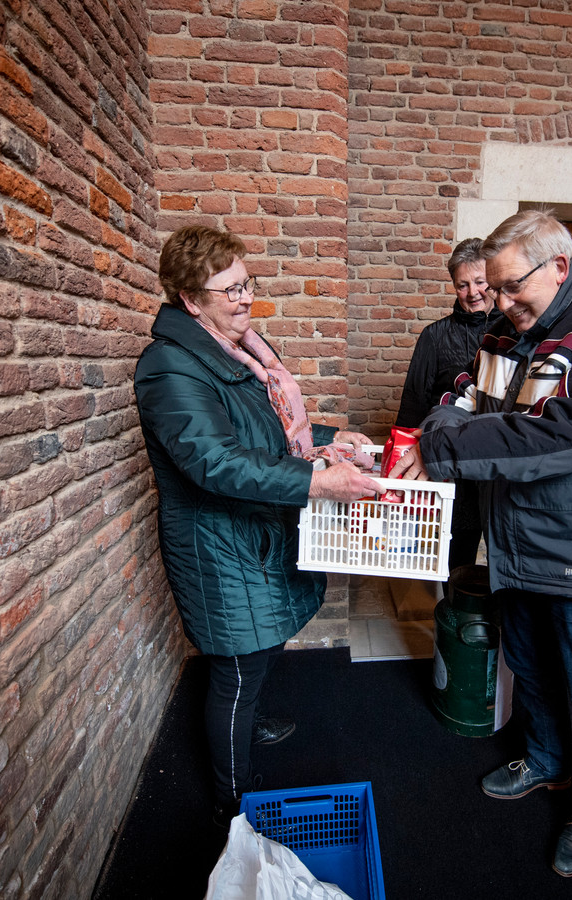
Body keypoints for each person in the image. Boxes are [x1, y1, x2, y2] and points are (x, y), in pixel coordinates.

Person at [391, 210, 572, 877]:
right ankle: (544, 761)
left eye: (512, 289)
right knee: (532, 669)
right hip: (517, 544)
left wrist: (442, 448)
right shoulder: (511, 333)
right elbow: (463, 396)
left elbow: (571, 436)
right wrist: (437, 429)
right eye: (496, 290)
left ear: (559, 266)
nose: (501, 304)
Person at [135, 225, 380, 826]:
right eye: (230, 291)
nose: (246, 300)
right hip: (218, 546)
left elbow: (269, 435)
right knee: (238, 665)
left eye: (248, 285)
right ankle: (234, 799)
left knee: (256, 650)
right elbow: (212, 461)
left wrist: (330, 442)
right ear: (191, 301)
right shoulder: (169, 367)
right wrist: (318, 481)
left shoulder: (236, 347)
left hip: (252, 534)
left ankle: (248, 722)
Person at [394, 237, 501, 571]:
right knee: (458, 558)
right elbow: (413, 404)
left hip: (502, 462)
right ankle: (456, 617)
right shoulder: (435, 337)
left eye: (480, 282)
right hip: (454, 468)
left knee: (506, 552)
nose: (473, 293)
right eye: (462, 285)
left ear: (493, 279)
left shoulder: (513, 329)